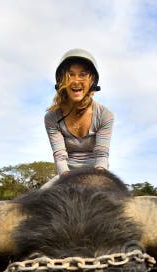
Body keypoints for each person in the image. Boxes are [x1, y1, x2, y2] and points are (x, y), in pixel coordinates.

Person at [43, 49, 114, 185]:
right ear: (61, 81)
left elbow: (102, 155)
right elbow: (60, 156)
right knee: (41, 198)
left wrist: (97, 182)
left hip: (97, 173)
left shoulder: (105, 115)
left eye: (82, 75)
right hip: (67, 176)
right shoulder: (51, 118)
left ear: (92, 81)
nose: (76, 81)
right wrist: (69, 182)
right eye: (70, 75)